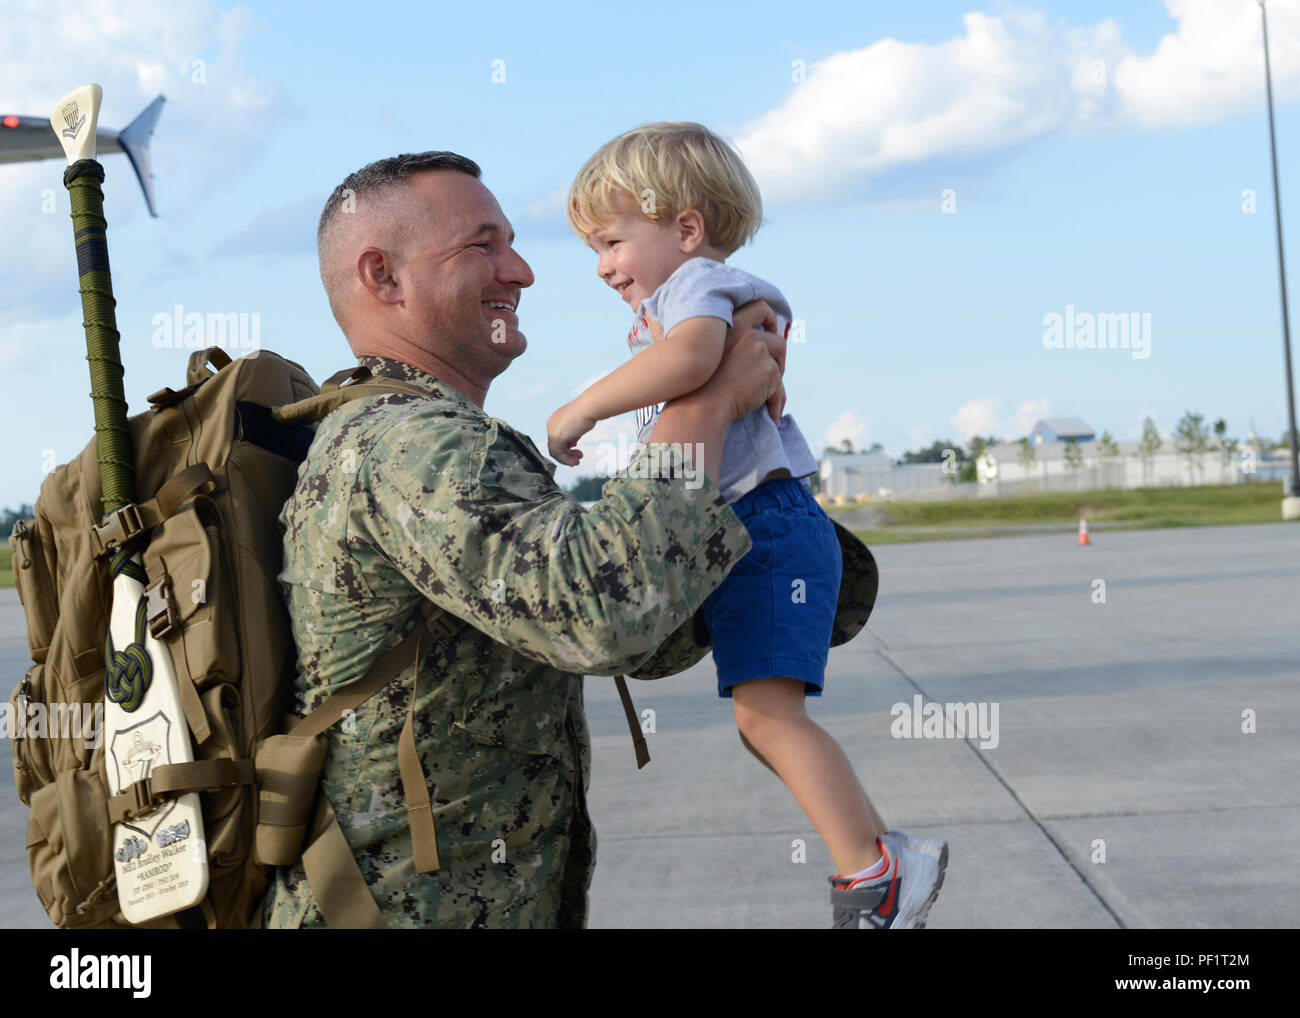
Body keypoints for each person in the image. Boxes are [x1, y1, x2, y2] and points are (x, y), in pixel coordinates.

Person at [259, 150, 787, 928]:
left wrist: (774, 506)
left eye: (511, 241)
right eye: (483, 245)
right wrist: (705, 404)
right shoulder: (411, 446)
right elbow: (602, 617)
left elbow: (650, 634)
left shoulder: (445, 438)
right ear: (384, 278)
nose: (523, 271)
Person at [547, 122, 947, 929]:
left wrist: (583, 404)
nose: (602, 267)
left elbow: (692, 365)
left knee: (768, 719)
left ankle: (873, 874)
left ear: (686, 228)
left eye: (613, 241)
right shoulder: (700, 296)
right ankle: (879, 859)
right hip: (757, 529)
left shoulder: (697, 288)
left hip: (764, 529)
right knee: (764, 723)